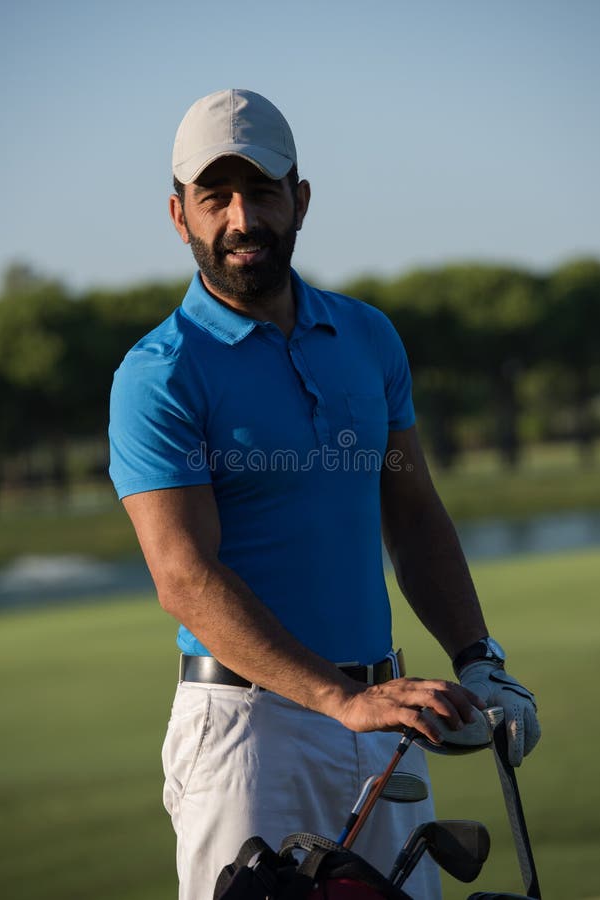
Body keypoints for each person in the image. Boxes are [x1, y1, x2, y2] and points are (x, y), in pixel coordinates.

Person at [108, 88, 540, 900]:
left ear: (298, 200)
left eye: (262, 192)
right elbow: (184, 578)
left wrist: (479, 659)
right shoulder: (159, 374)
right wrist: (340, 700)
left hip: (382, 717)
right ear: (179, 216)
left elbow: (411, 513)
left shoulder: (368, 336)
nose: (242, 218)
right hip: (247, 735)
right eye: (215, 199)